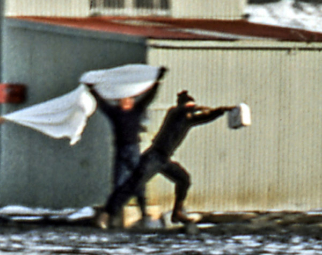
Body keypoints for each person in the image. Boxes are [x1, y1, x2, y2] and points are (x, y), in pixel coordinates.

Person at [96, 90, 233, 229]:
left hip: (164, 159)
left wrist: (222, 111)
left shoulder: (188, 120)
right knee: (132, 185)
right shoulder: (174, 113)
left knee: (184, 179)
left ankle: (177, 212)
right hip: (153, 157)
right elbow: (183, 109)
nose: (191, 108)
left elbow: (206, 117)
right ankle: (107, 213)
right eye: (189, 106)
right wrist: (196, 107)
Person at [84, 66, 166, 225]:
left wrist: (158, 80)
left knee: (138, 181)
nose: (127, 102)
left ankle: (144, 213)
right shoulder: (115, 113)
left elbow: (149, 97)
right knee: (119, 184)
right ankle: (114, 216)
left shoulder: (137, 111)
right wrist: (92, 89)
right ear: (120, 102)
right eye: (124, 100)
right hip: (121, 150)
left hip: (133, 149)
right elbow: (102, 103)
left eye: (129, 99)